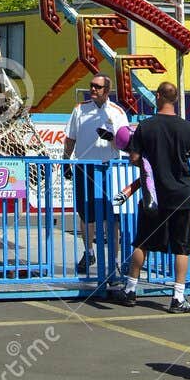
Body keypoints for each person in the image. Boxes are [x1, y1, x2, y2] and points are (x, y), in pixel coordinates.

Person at [117, 82, 190, 313]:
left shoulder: (146, 127)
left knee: (142, 241)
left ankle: (130, 290)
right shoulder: (188, 128)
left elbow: (134, 158)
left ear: (157, 97)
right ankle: (178, 297)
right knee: (182, 248)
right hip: (183, 194)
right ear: (174, 99)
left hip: (153, 195)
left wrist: (142, 157)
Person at [62, 73, 128, 276]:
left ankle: (114, 260)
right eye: (91, 86)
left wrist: (111, 138)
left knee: (112, 216)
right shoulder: (80, 109)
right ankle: (89, 252)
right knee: (85, 212)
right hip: (84, 166)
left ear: (107, 91)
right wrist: (66, 161)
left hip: (109, 168)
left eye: (98, 87)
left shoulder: (117, 112)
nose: (93, 89)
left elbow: (125, 142)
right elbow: (70, 137)